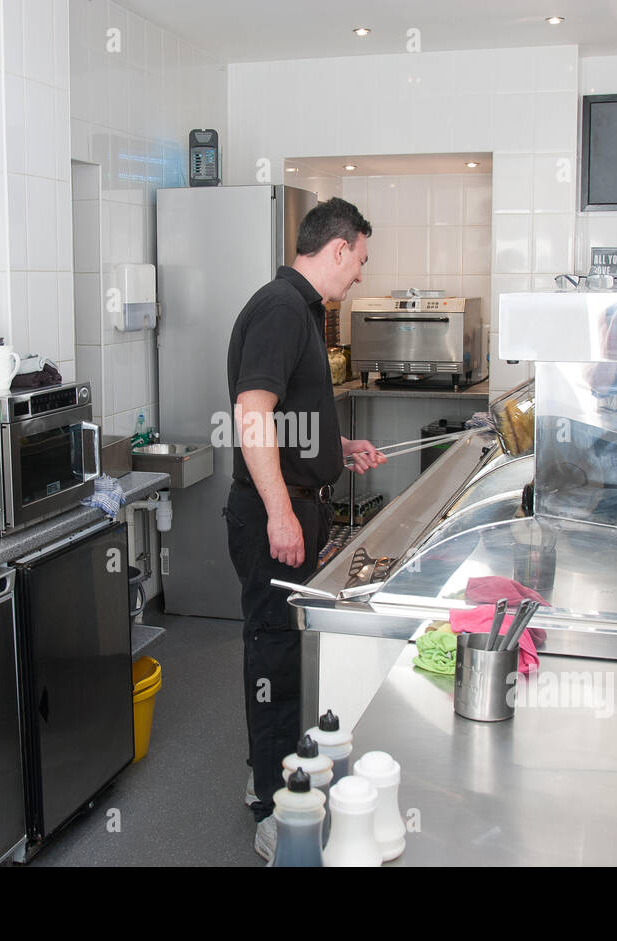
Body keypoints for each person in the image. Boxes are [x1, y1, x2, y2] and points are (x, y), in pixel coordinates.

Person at [223, 197, 386, 862]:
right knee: (274, 654)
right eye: (360, 261)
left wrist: (334, 447)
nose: (360, 275)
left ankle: (268, 778)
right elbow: (252, 411)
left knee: (283, 649)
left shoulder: (302, 310)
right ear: (339, 248)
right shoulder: (282, 308)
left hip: (291, 498)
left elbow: (288, 414)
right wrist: (282, 511)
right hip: (273, 513)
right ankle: (272, 808)